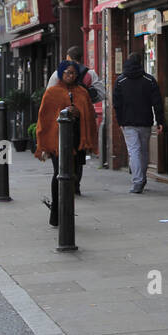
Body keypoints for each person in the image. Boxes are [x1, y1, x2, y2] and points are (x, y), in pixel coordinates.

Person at [35, 61, 98, 220]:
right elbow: (45, 118)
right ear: (61, 74)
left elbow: (89, 115)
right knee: (59, 173)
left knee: (73, 175)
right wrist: (63, 113)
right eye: (68, 73)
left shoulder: (82, 92)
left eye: (74, 73)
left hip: (77, 139)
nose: (71, 75)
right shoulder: (52, 93)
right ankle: (56, 213)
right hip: (57, 141)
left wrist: (78, 113)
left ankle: (68, 212)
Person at [112, 51, 165, 194]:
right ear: (141, 62)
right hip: (145, 121)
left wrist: (120, 120)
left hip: (128, 122)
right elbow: (157, 102)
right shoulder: (149, 80)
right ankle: (141, 178)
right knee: (143, 151)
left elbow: (117, 103)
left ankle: (137, 181)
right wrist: (160, 120)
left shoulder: (120, 81)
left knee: (134, 151)